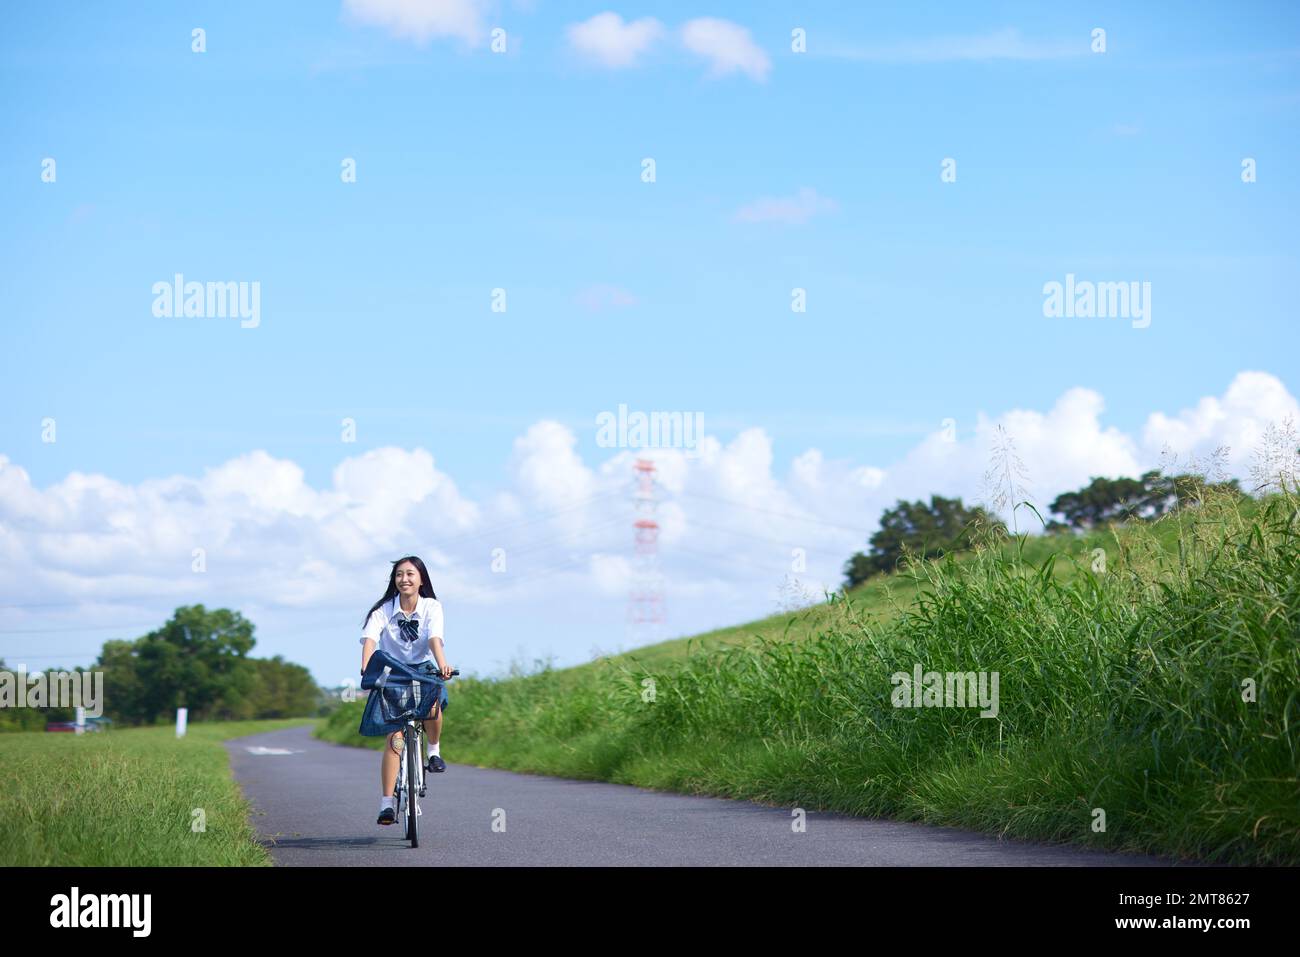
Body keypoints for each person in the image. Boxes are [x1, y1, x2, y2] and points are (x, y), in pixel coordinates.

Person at [359, 555, 453, 826]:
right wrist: (366, 665)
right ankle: (387, 804)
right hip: (392, 673)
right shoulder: (383, 610)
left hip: (422, 670)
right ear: (394, 580)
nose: (404, 579)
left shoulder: (432, 606)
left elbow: (434, 639)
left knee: (433, 706)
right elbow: (370, 640)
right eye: (399, 574)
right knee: (395, 738)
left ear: (421, 579)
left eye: (410, 574)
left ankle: (433, 752)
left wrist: (442, 664)